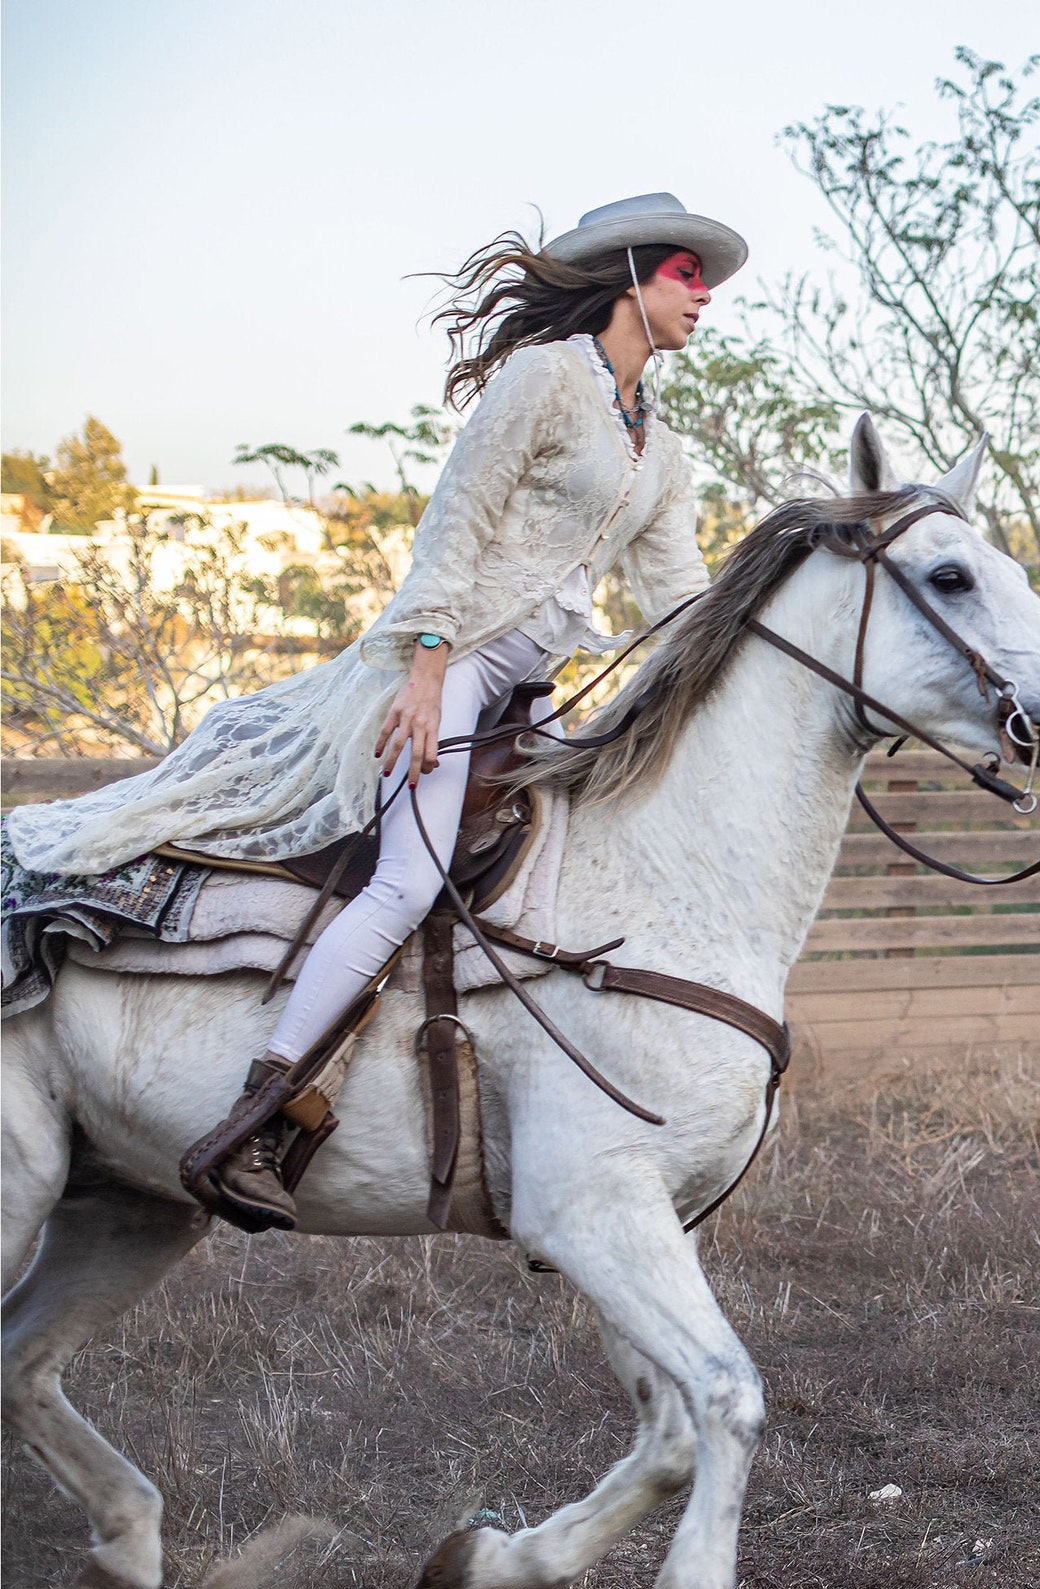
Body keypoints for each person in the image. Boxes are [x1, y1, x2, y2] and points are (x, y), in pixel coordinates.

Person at [8, 192, 747, 1229]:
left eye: (705, 278)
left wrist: (746, 652)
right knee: (407, 880)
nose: (704, 293)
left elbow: (678, 598)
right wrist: (428, 669)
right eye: (685, 273)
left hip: (529, 698)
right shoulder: (543, 379)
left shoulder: (657, 445)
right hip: (449, 666)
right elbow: (457, 520)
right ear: (630, 275)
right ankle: (262, 1111)